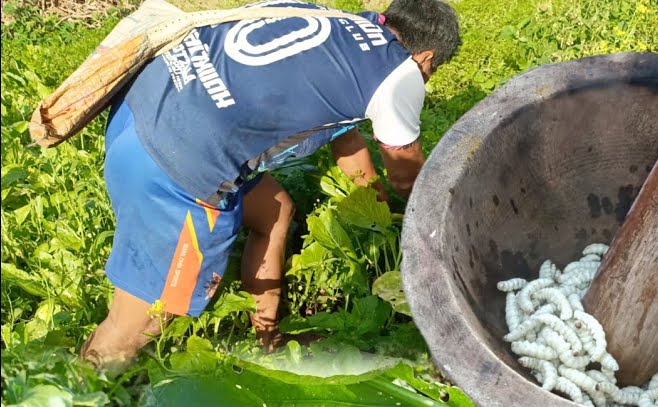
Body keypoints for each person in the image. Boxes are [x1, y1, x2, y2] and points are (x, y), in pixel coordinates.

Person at [79, 0, 461, 370]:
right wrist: (433, 230)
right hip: (177, 165)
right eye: (431, 70)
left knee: (273, 211)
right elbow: (407, 177)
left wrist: (379, 210)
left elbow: (346, 139)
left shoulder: (328, 21)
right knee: (135, 327)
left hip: (140, 109)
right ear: (426, 57)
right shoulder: (399, 72)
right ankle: (81, 393)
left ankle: (267, 339)